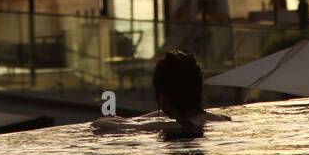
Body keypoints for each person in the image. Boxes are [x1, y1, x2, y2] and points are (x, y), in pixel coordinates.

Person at [92, 50, 232, 135]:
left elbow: (101, 123)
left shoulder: (169, 127)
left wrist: (134, 121)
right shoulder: (221, 118)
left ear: (163, 96)